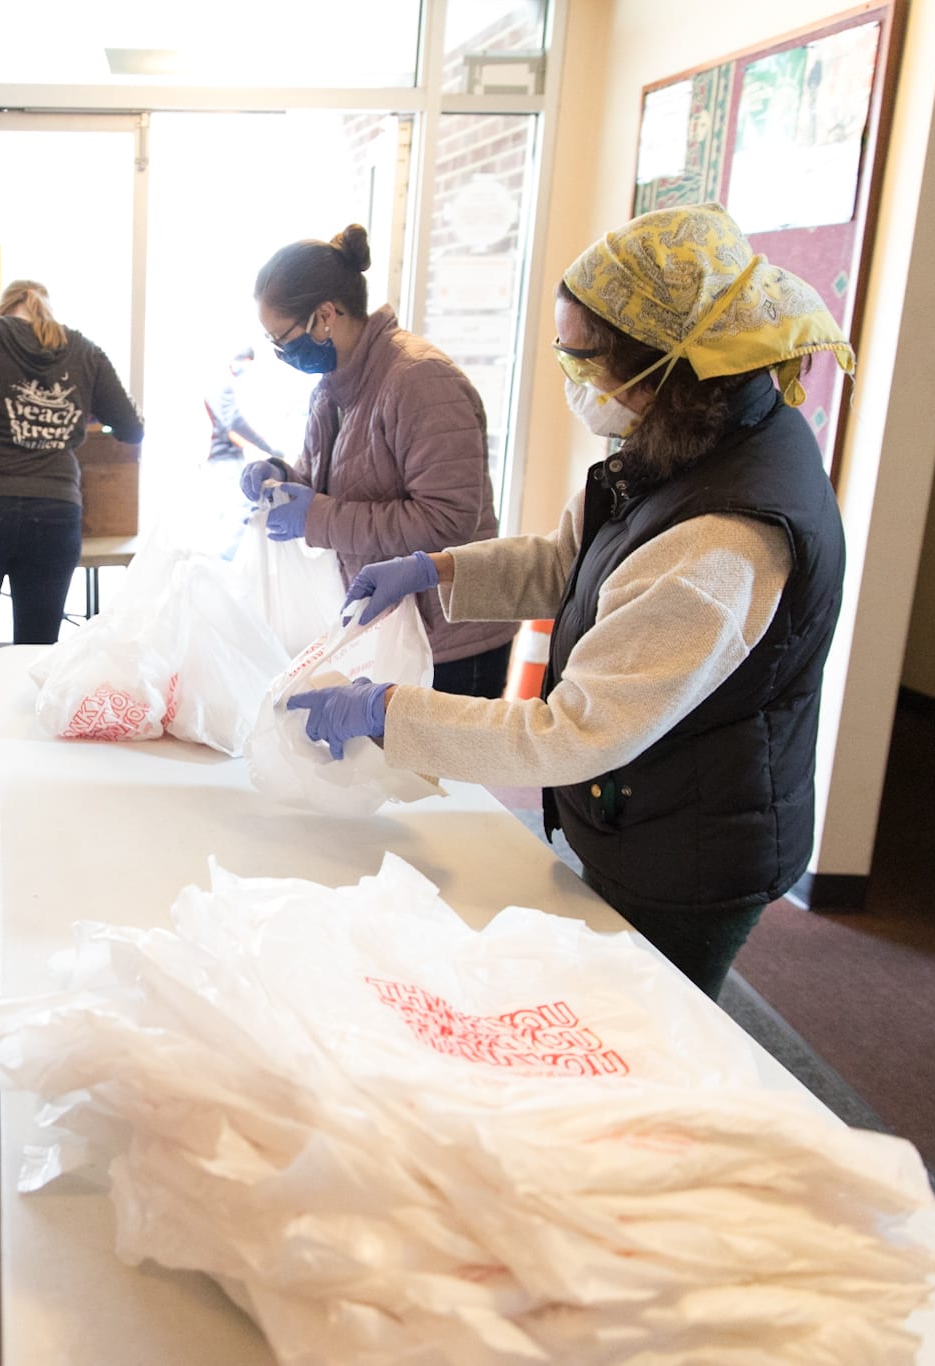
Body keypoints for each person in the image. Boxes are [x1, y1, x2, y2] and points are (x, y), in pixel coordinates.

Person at [286, 204, 855, 999]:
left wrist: (390, 712)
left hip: (694, 845)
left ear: (665, 366)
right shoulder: (685, 439)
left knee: (646, 1025)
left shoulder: (726, 541)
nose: (574, 382)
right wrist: (436, 569)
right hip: (642, 801)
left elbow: (573, 733)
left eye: (586, 361)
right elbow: (567, 559)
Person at [239, 225, 517, 697]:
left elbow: (448, 521)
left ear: (325, 315)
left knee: (432, 770)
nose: (280, 354)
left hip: (450, 638)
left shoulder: (420, 380)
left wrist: (316, 517)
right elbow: (331, 479)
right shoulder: (335, 385)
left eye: (281, 339)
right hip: (390, 629)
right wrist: (283, 478)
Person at [0, 280, 142, 809]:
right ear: (44, 311)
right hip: (54, 513)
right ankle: (30, 781)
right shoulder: (85, 351)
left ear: (6, 309)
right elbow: (131, 428)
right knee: (36, 652)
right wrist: (71, 422)